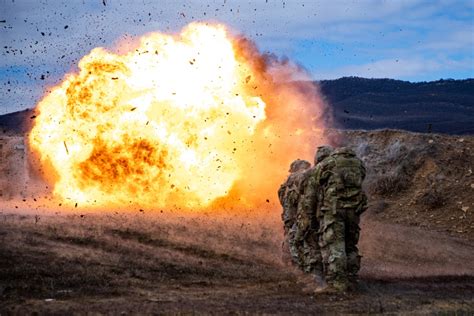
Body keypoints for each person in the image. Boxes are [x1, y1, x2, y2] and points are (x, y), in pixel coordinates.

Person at [313, 147, 367, 293]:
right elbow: (362, 178)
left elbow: (317, 179)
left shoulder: (329, 163)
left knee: (335, 245)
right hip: (354, 211)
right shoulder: (358, 163)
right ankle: (352, 280)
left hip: (335, 211)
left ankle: (338, 284)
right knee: (350, 245)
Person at [296, 146, 334, 284]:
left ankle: (317, 277)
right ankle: (337, 276)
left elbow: (309, 197)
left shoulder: (313, 173)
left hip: (319, 214)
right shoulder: (336, 171)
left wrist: (309, 217)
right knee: (333, 245)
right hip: (332, 214)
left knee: (313, 244)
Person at [278, 159, 311, 267]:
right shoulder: (305, 177)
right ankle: (296, 263)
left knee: (290, 236)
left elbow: (282, 196)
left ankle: (289, 261)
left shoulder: (288, 181)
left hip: (291, 214)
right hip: (299, 213)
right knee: (298, 238)